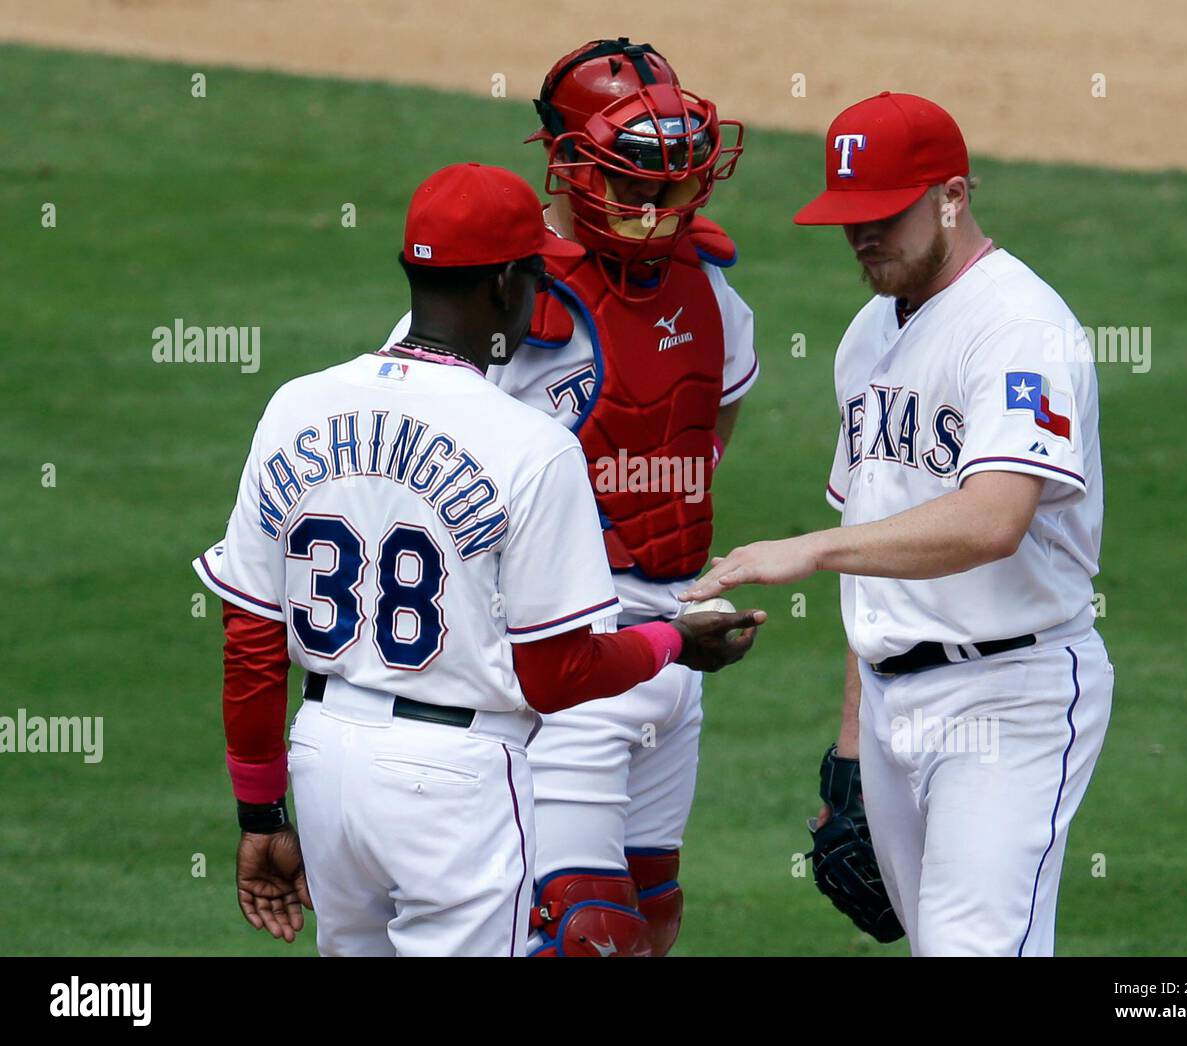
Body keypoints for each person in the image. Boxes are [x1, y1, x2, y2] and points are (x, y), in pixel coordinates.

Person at [193, 162, 763, 957]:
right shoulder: (532, 445)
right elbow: (555, 675)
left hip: (324, 763)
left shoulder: (296, 404)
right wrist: (676, 644)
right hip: (454, 782)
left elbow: (251, 639)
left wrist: (260, 813)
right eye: (537, 274)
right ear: (505, 285)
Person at [683, 92, 1114, 957]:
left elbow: (994, 519)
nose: (863, 239)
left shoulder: (1017, 328)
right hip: (891, 700)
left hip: (1009, 693)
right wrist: (852, 742)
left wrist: (809, 548)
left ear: (952, 196)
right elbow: (880, 538)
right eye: (848, 221)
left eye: (883, 216)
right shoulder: (867, 333)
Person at [384, 37, 757, 957]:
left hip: (678, 646)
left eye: (671, 186)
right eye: (630, 183)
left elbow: (703, 448)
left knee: (652, 917)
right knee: (581, 934)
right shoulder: (500, 309)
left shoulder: (714, 298)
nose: (652, 209)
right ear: (565, 163)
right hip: (567, 657)